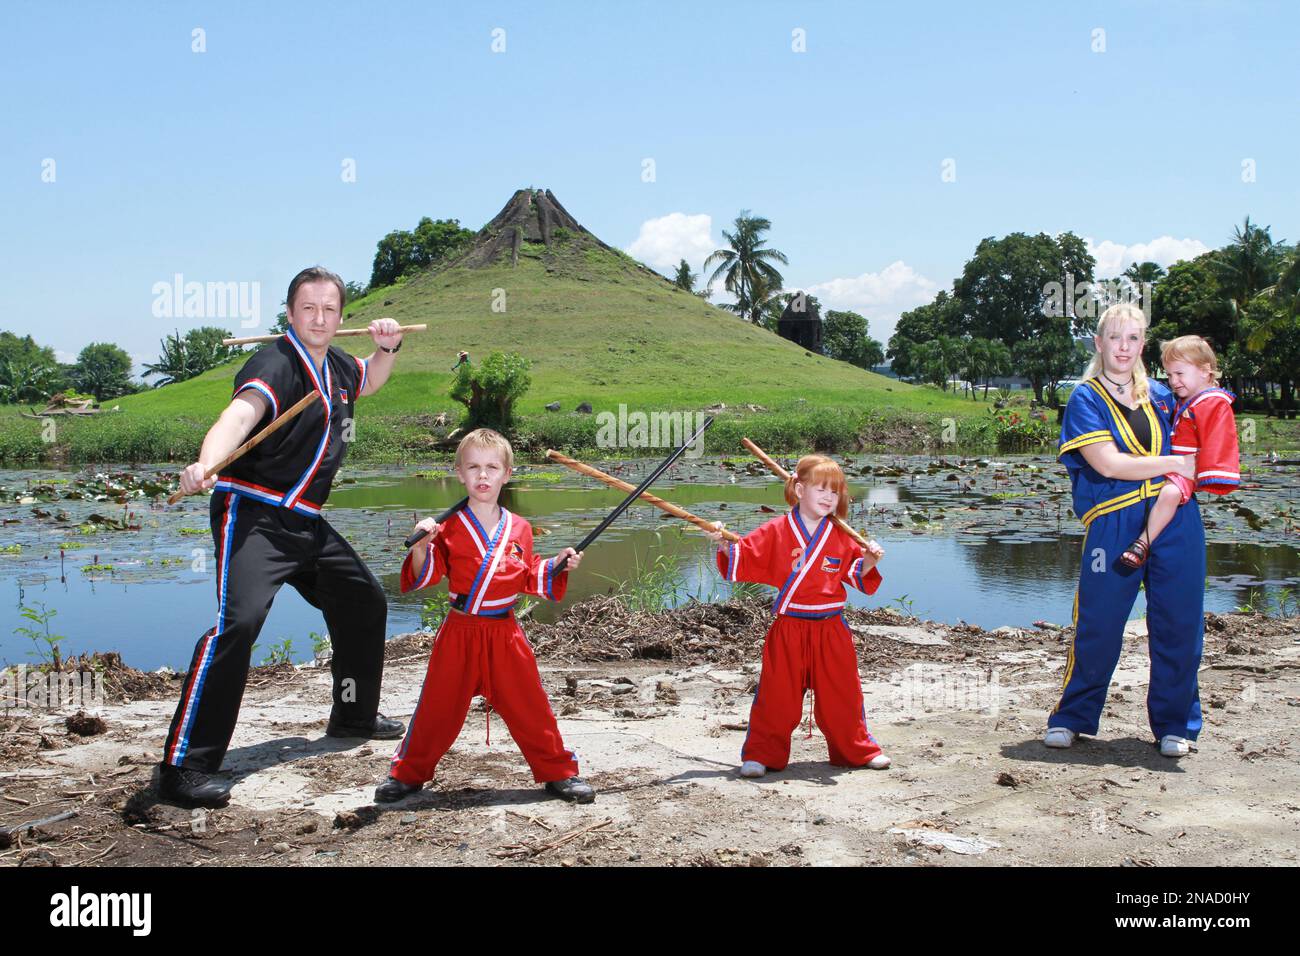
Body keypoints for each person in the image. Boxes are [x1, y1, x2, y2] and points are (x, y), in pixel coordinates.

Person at [160, 266, 406, 808]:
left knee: (363, 600)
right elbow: (237, 415)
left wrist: (387, 349)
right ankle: (183, 768)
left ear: (342, 317)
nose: (320, 319)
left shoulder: (339, 364)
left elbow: (370, 378)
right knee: (238, 623)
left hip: (306, 521)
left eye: (330, 310)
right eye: (309, 309)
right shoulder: (275, 362)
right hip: (254, 516)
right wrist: (206, 462)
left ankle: (353, 715)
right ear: (290, 314)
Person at [374, 428, 596, 804]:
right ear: (459, 472)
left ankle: (558, 772)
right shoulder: (447, 529)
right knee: (436, 707)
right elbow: (426, 574)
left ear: (506, 474)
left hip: (504, 632)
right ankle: (408, 773)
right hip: (459, 630)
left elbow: (526, 575)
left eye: (492, 467)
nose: (482, 475)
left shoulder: (519, 528)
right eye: (473, 467)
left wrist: (559, 565)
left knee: (531, 705)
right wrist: (421, 546)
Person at [1048, 303, 1203, 758]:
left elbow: (1206, 430)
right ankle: (1073, 717)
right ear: (1099, 343)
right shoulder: (1086, 398)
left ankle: (1176, 724)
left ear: (1142, 344)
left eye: (1132, 338)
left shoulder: (1162, 393)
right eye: (1114, 337)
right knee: (1099, 623)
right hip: (1114, 522)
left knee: (1179, 623)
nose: (1123, 347)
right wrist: (1177, 462)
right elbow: (1107, 463)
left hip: (1176, 518)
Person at [705, 454, 890, 778]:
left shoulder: (840, 534)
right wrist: (722, 542)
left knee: (843, 693)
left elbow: (856, 574)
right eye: (820, 488)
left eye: (835, 491)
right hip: (789, 627)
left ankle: (857, 749)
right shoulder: (777, 530)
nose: (828, 497)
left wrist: (870, 562)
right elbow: (744, 554)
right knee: (778, 695)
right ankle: (762, 754)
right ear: (799, 489)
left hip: (831, 627)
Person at [1119, 335, 1239, 568]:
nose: (1173, 381)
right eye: (1170, 374)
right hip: (1176, 462)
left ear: (1205, 371)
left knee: (1170, 494)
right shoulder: (1192, 400)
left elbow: (1219, 439)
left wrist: (1210, 470)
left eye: (1180, 374)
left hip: (1187, 467)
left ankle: (1143, 542)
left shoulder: (1213, 402)